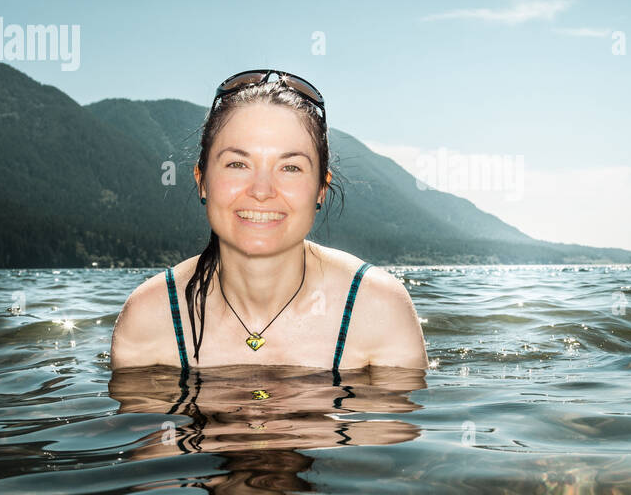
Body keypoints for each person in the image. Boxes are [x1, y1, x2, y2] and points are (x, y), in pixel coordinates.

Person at [110, 69, 428, 374]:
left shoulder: (375, 309)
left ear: (320, 189)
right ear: (202, 180)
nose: (262, 191)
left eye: (290, 168)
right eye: (237, 164)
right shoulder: (152, 317)